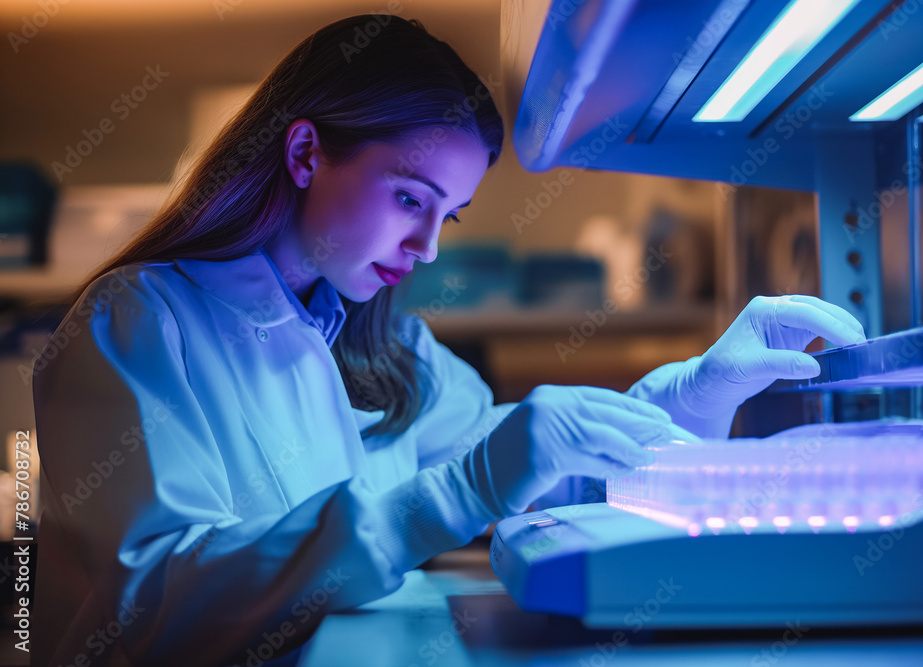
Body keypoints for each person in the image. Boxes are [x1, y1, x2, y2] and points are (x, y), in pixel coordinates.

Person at [29, 14, 867, 667]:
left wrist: (685, 398)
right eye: (408, 199)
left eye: (448, 214)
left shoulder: (387, 347)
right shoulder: (137, 322)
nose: (429, 247)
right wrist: (458, 489)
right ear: (306, 150)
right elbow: (161, 607)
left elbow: (526, 471)